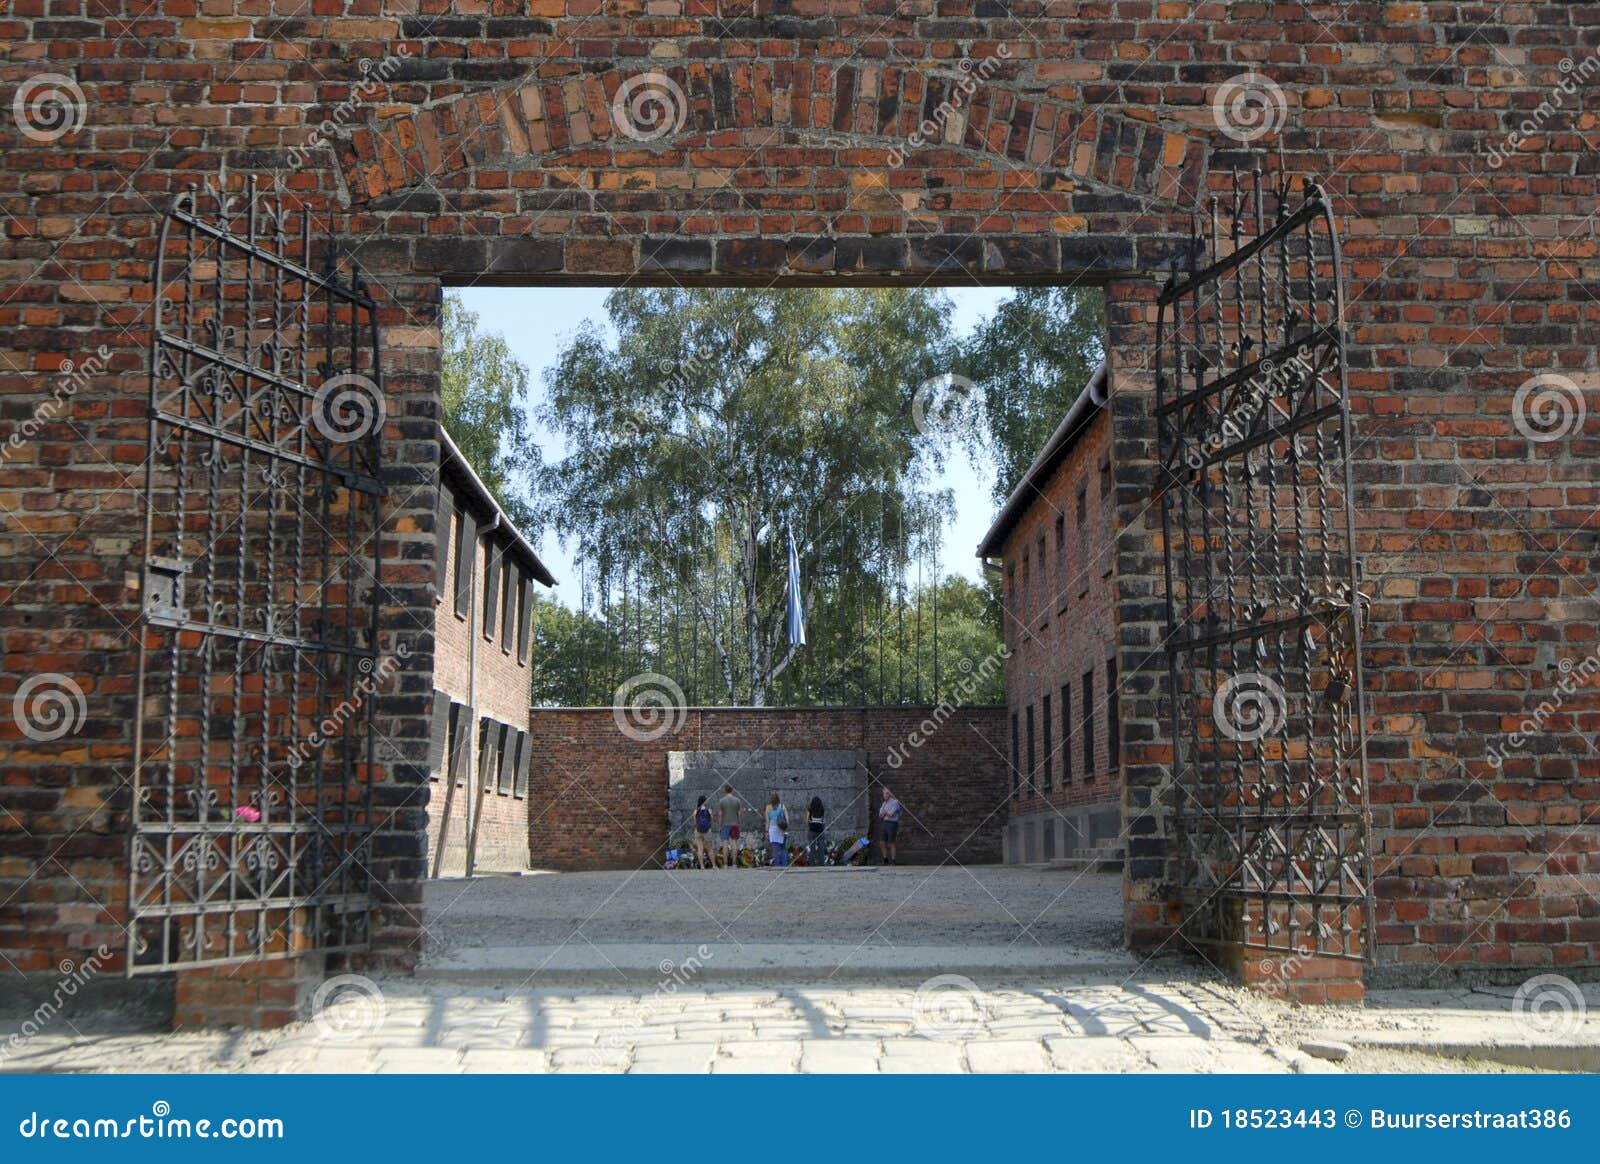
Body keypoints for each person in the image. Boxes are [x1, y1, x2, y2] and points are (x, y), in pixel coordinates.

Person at [716, 785, 742, 869]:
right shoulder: (737, 800)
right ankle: (734, 864)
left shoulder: (721, 801)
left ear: (725, 791)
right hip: (735, 824)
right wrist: (739, 823)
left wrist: (720, 824)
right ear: (732, 790)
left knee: (725, 844)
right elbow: (739, 814)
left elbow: (720, 814)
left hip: (725, 824)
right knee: (734, 844)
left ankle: (725, 864)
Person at [877, 788, 902, 865]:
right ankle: (885, 860)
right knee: (882, 842)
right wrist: (885, 813)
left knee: (891, 842)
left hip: (892, 823)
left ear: (890, 794)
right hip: (885, 823)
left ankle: (893, 861)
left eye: (886, 794)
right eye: (884, 794)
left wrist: (885, 813)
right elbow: (880, 815)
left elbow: (891, 814)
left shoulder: (895, 802)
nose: (885, 795)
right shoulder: (884, 803)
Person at [691, 795, 715, 870]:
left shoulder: (696, 810)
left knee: (700, 849)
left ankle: (702, 866)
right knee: (710, 849)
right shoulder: (708, 809)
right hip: (707, 831)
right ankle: (714, 865)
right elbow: (712, 818)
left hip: (698, 831)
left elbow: (694, 820)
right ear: (705, 801)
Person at [766, 793, 789, 867]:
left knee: (775, 848)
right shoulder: (782, 806)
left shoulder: (768, 807)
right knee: (783, 848)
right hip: (781, 828)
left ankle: (777, 865)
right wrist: (785, 828)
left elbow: (767, 821)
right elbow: (787, 818)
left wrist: (767, 831)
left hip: (772, 828)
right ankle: (784, 864)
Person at [807, 795, 826, 864]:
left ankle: (811, 862)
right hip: (820, 830)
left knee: (812, 847)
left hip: (812, 830)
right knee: (821, 847)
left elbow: (807, 819)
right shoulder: (822, 809)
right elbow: (823, 820)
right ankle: (821, 862)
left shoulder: (810, 809)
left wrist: (811, 822)